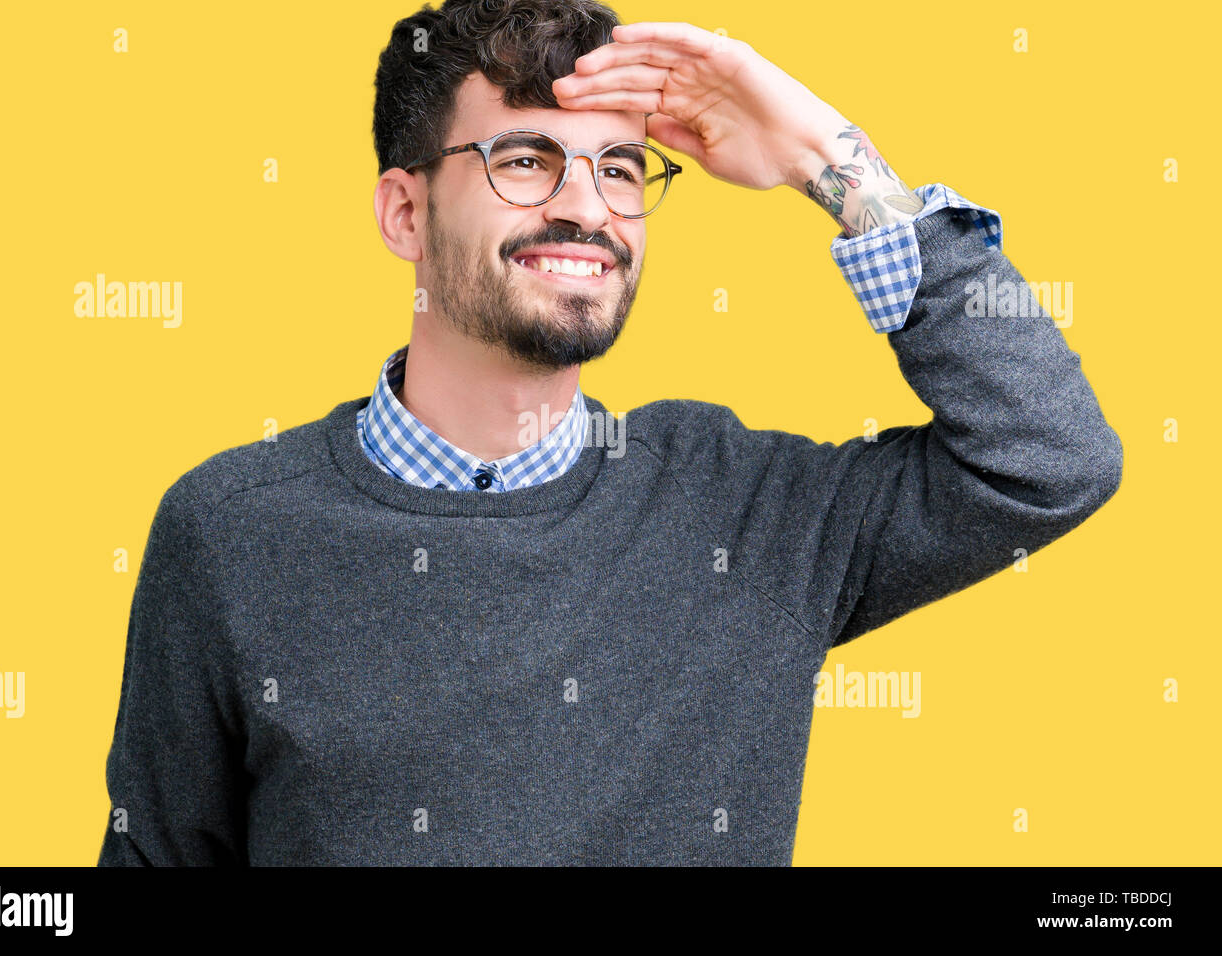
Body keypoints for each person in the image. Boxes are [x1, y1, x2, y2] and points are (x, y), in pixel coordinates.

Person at [98, 0, 1122, 865]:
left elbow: (1047, 458)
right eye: (528, 160)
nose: (586, 208)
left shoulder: (748, 511)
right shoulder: (230, 530)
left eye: (621, 170)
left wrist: (826, 158)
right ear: (405, 213)